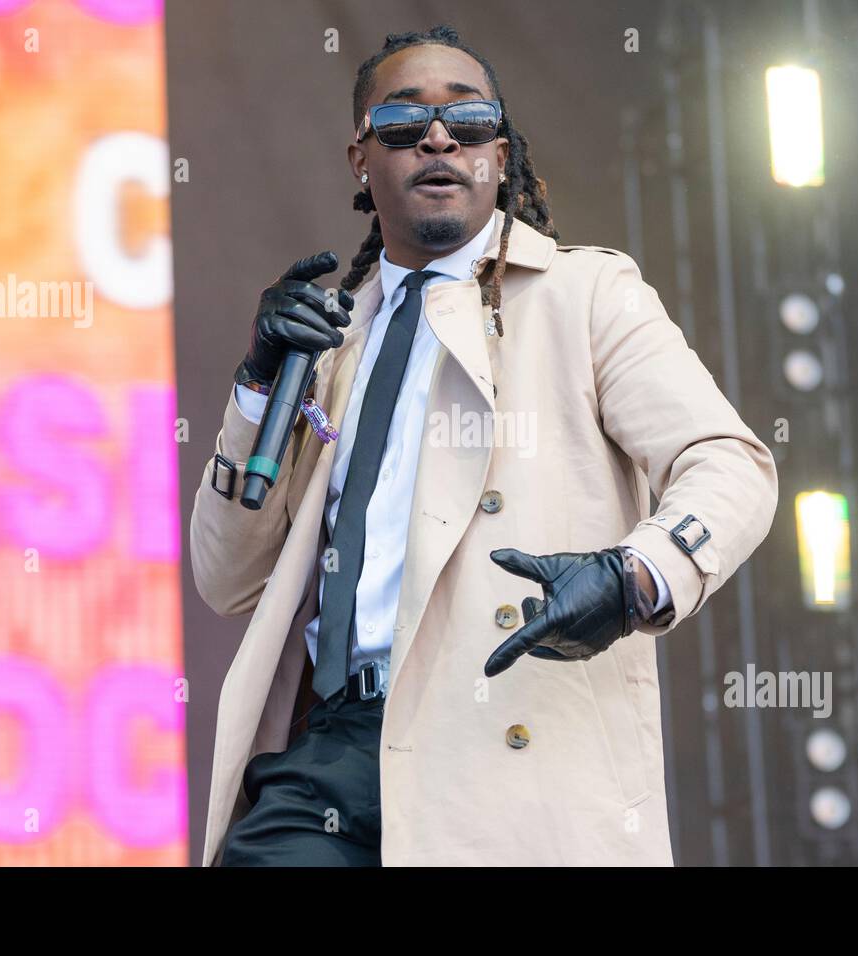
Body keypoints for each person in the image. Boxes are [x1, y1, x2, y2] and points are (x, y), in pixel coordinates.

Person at [190, 24, 777, 866]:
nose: (438, 137)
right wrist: (256, 382)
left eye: (467, 121)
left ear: (498, 156)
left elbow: (729, 463)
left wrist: (635, 575)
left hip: (499, 741)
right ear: (361, 159)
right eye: (403, 121)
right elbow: (226, 577)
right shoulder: (329, 341)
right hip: (333, 753)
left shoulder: (582, 294)